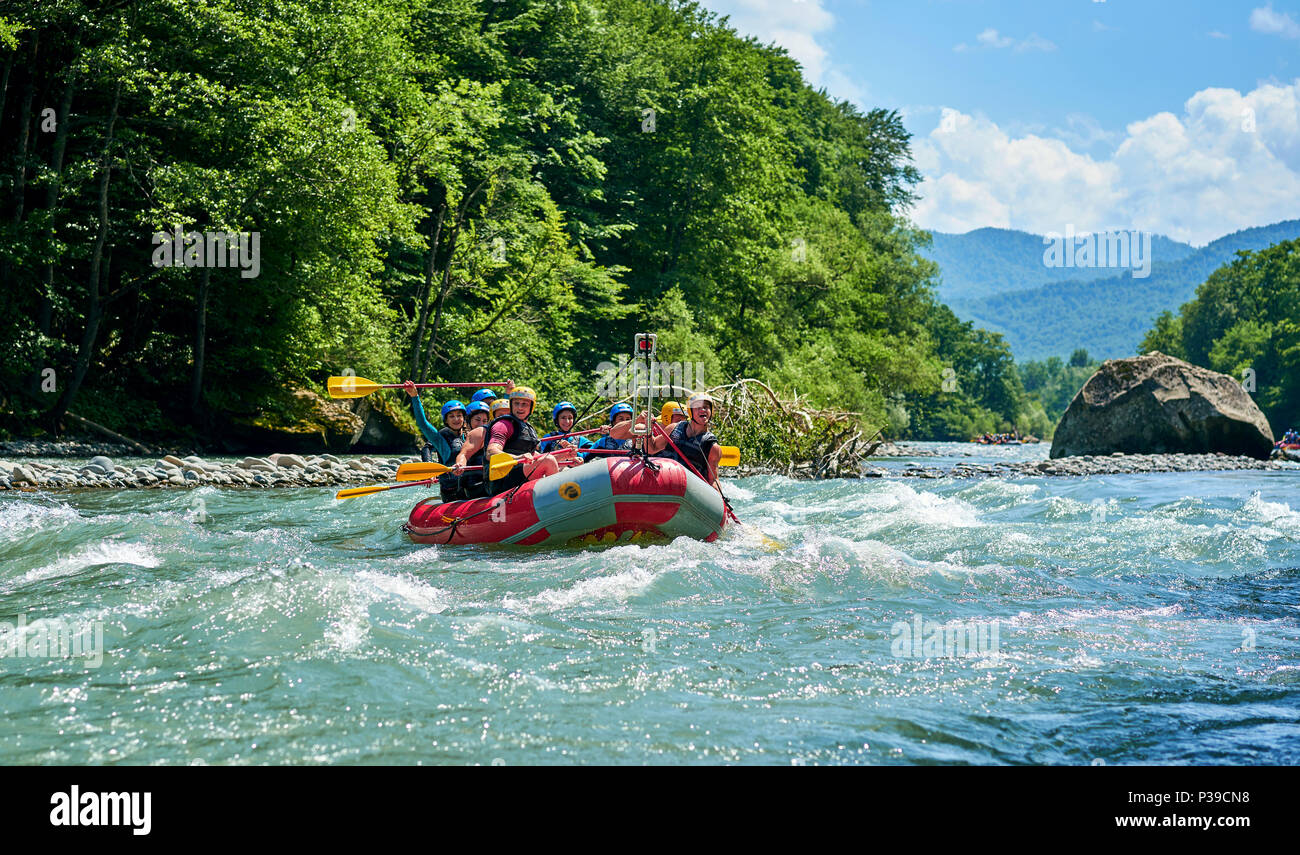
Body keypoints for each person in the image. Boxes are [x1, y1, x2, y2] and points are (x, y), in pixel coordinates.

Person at [459, 386, 570, 495]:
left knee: (552, 461)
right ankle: (557, 497)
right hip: (500, 480)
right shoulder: (502, 425)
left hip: (518, 473)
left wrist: (564, 456)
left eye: (524, 404)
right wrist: (517, 458)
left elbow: (535, 456)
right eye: (516, 403)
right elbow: (491, 452)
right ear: (511, 405)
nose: (520, 408)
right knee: (548, 460)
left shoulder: (528, 428)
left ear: (531, 407)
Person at [403, 381, 465, 502]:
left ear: (464, 418)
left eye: (459, 415)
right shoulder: (440, 438)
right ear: (446, 420)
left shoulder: (472, 435)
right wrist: (415, 397)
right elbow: (423, 424)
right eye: (451, 416)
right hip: (451, 491)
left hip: (469, 488)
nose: (456, 419)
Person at [647, 392, 721, 486]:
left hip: (688, 490)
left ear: (711, 411)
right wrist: (648, 430)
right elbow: (651, 449)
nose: (703, 410)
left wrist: (719, 497)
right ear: (690, 412)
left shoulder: (712, 446)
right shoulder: (673, 428)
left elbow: (713, 480)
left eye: (706, 407)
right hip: (662, 481)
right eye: (698, 407)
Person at [456, 400, 492, 499]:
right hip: (474, 487)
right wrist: (460, 464)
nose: (481, 424)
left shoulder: (490, 435)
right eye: (477, 420)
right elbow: (463, 454)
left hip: (489, 483)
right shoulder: (469, 438)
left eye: (485, 421)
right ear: (468, 421)